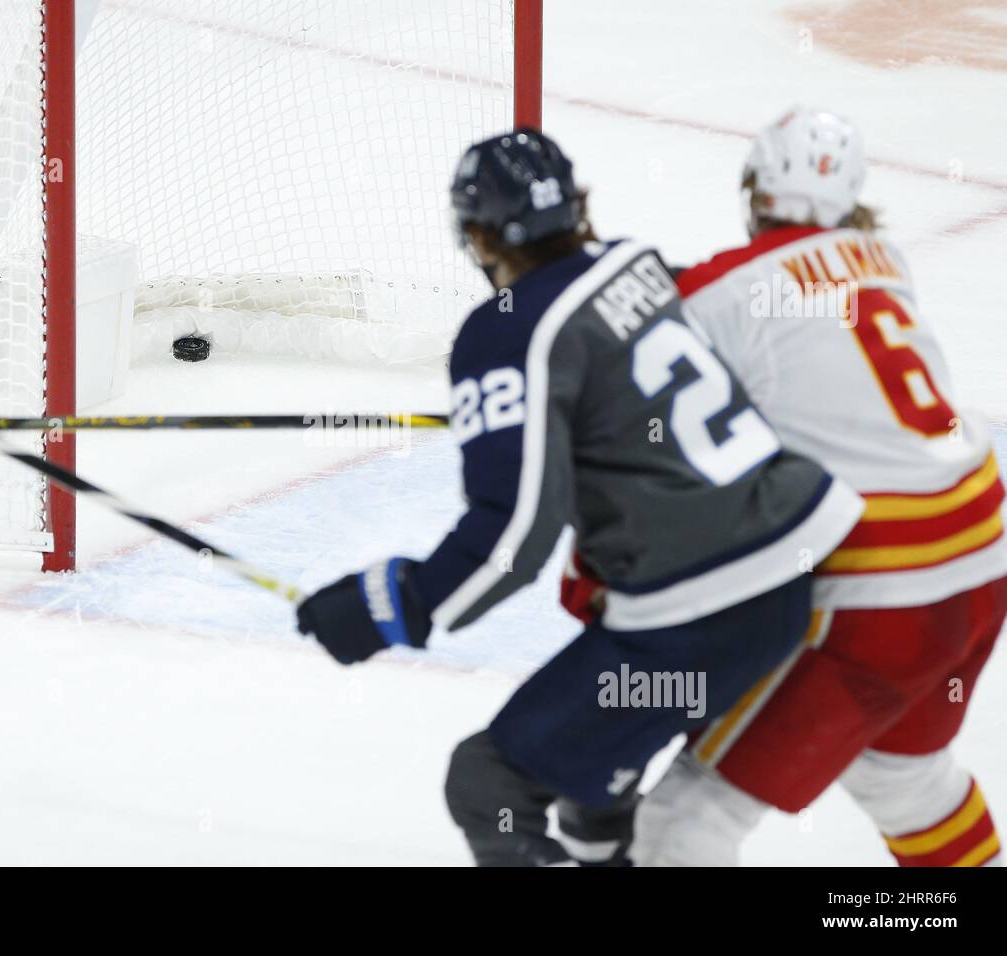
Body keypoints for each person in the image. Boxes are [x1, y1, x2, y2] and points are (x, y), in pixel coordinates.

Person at [294, 128, 863, 866]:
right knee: (594, 786)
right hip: (790, 586)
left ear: (475, 233)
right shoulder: (638, 263)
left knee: (489, 784)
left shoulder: (503, 335)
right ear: (576, 205)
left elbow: (516, 533)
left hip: (692, 623)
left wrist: (394, 604)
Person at [635, 107, 1005, 867]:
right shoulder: (883, 257)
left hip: (882, 592)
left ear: (755, 191)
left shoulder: (719, 295)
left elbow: (658, 375)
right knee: (904, 780)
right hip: (980, 558)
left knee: (681, 826)